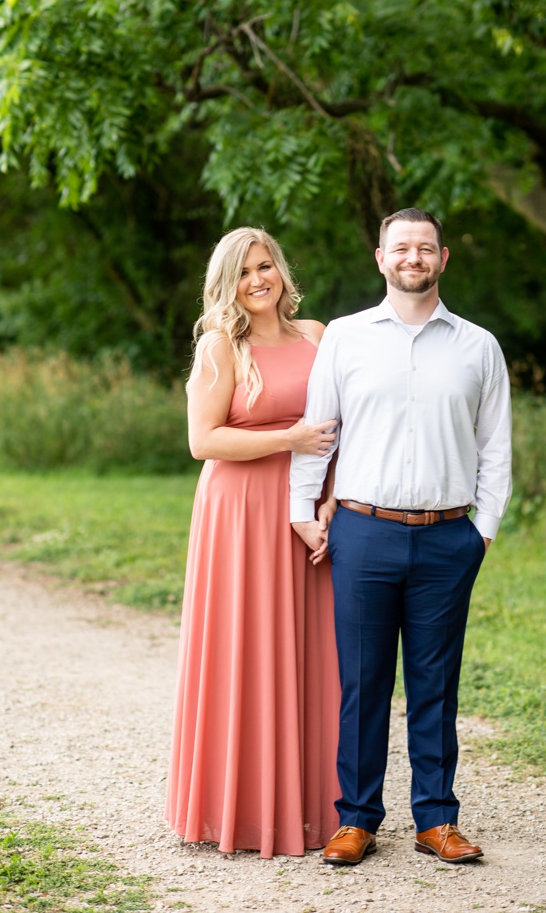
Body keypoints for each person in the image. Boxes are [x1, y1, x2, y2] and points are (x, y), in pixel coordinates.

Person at [291, 207, 512, 867]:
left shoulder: (478, 346)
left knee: (434, 681)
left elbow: (494, 450)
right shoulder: (347, 338)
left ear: (443, 259)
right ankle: (356, 819)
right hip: (363, 531)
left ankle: (436, 819)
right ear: (381, 259)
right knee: (362, 680)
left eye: (425, 248)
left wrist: (483, 534)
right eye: (401, 247)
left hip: (449, 538)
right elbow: (317, 428)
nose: (413, 257)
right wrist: (305, 507)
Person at [166, 227, 342, 857]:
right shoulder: (220, 347)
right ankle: (235, 810)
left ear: (281, 271)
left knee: (310, 651)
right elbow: (203, 440)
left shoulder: (318, 337)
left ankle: (316, 812)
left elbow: (341, 426)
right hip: (237, 513)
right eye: (243, 272)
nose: (258, 279)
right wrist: (288, 439)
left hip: (307, 511)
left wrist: (329, 498)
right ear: (227, 284)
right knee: (243, 649)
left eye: (265, 266)